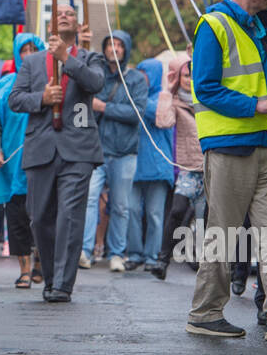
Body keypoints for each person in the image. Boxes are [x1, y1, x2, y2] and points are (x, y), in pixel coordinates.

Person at [186, 0, 267, 341]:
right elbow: (204, 87)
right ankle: (205, 312)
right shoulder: (214, 24)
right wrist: (254, 106)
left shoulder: (260, 29)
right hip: (229, 144)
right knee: (224, 233)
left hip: (266, 144)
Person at [9, 4, 106, 303]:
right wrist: (42, 97)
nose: (64, 15)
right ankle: (50, 277)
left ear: (78, 25)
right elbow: (15, 99)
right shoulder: (33, 62)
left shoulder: (89, 58)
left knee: (70, 216)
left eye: (70, 13)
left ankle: (63, 284)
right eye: (59, 13)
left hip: (78, 150)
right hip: (41, 148)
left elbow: (96, 83)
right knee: (40, 217)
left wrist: (67, 58)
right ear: (51, 23)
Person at [81, 30, 147, 273]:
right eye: (110, 44)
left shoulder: (136, 79)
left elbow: (137, 113)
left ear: (126, 49)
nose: (114, 49)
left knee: (120, 206)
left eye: (119, 45)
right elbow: (83, 108)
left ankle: (117, 253)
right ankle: (85, 251)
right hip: (96, 150)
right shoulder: (97, 77)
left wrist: (104, 107)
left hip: (124, 151)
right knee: (89, 200)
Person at [0, 34, 43, 287]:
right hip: (12, 164)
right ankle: (25, 269)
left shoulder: (48, 83)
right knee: (17, 217)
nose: (28, 55)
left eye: (33, 50)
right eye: (24, 50)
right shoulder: (5, 86)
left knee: (42, 217)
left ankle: (41, 262)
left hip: (42, 162)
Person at [156, 54, 205, 267]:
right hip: (189, 167)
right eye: (186, 76)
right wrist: (167, 91)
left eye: (194, 75)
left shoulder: (207, 98)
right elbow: (163, 121)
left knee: (209, 217)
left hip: (214, 165)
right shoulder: (175, 102)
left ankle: (208, 261)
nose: (190, 79)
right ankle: (162, 259)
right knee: (178, 210)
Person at [129, 57, 172, 278]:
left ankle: (152, 256)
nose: (141, 77)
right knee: (132, 210)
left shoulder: (162, 97)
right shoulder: (135, 97)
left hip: (158, 165)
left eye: (145, 73)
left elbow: (159, 116)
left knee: (155, 214)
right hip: (134, 162)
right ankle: (135, 254)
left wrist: (135, 98)